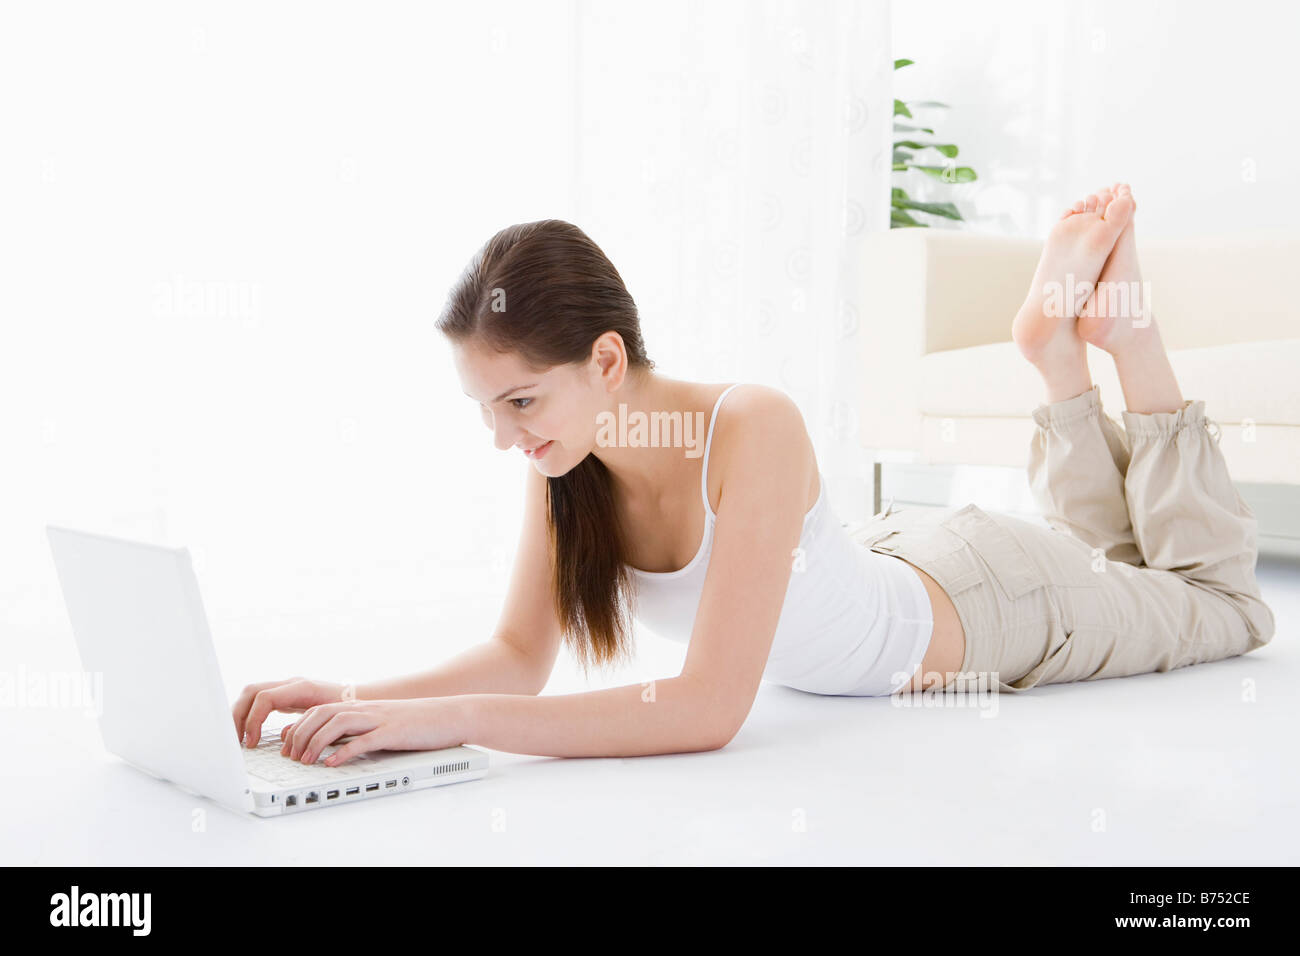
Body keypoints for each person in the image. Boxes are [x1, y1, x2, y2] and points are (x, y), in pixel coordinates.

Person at [231, 184, 1276, 764]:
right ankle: (1055, 358)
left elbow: (706, 707)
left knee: (1221, 601)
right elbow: (516, 655)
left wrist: (448, 723)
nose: (506, 438)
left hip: (996, 606)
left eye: (518, 402)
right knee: (1116, 558)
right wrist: (357, 695)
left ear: (603, 360)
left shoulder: (752, 423)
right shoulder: (569, 455)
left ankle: (1115, 341)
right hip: (909, 559)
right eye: (486, 410)